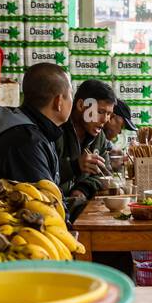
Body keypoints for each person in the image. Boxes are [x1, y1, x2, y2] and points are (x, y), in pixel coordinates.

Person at [0, 63, 73, 207]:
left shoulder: (37, 131)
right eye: (70, 95)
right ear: (59, 102)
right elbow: (42, 205)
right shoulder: (26, 142)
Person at [60, 79, 116, 211]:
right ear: (81, 105)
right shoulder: (57, 130)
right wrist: (74, 166)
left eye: (109, 114)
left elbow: (104, 174)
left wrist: (83, 189)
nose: (105, 120)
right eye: (100, 112)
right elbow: (43, 173)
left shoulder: (99, 136)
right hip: (52, 208)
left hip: (79, 208)